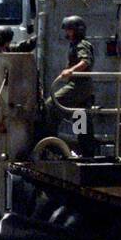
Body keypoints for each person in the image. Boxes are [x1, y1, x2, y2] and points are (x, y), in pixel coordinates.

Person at [43, 15, 96, 157]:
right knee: (80, 116)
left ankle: (51, 144)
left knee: (51, 104)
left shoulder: (81, 44)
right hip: (82, 87)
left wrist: (71, 70)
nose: (67, 33)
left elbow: (85, 61)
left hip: (79, 85)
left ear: (77, 31)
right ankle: (87, 151)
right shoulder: (75, 44)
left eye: (69, 30)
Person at [0, 27, 36, 158]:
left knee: (7, 120)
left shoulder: (11, 50)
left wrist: (37, 38)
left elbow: (25, 46)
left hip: (9, 92)